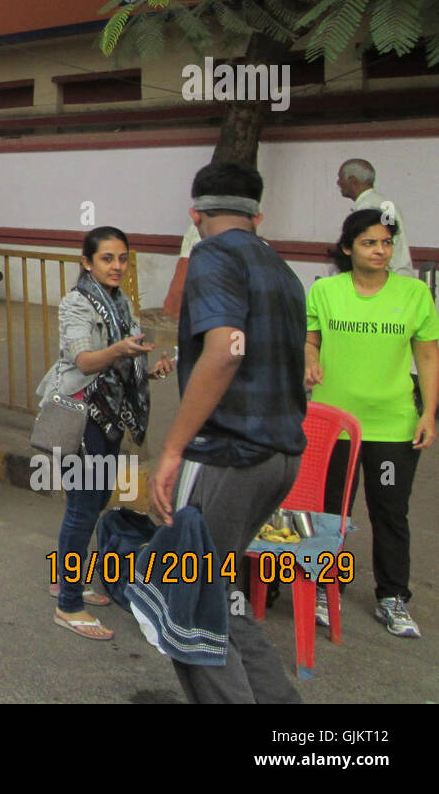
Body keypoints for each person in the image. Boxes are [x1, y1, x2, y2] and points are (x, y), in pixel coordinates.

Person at [149, 161, 307, 704]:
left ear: (195, 215)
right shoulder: (282, 270)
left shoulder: (213, 255)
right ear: (258, 215)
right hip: (280, 456)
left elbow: (224, 352)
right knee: (219, 595)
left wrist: (171, 449)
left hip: (231, 456)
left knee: (187, 600)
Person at [306, 209, 438, 637]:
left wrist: (428, 414)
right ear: (348, 248)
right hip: (334, 426)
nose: (381, 250)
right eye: (369, 243)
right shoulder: (325, 291)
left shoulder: (415, 294)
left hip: (392, 427)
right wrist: (310, 357)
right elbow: (311, 336)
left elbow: (429, 356)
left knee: (389, 511)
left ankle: (392, 597)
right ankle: (327, 590)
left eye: (386, 243)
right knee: (330, 513)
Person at [38, 226, 175, 640]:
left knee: (94, 500)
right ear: (87, 262)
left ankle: (67, 581)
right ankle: (69, 606)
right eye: (106, 259)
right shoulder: (77, 303)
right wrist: (121, 350)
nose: (116, 266)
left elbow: (122, 365)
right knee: (83, 505)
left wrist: (149, 369)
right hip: (83, 417)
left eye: (122, 259)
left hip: (111, 415)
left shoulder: (121, 303)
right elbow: (84, 358)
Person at [337, 159, 413, 275]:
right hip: (398, 276)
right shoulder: (384, 203)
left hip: (384, 280)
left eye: (340, 177)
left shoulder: (369, 208)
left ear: (352, 181)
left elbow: (374, 247)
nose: (338, 183)